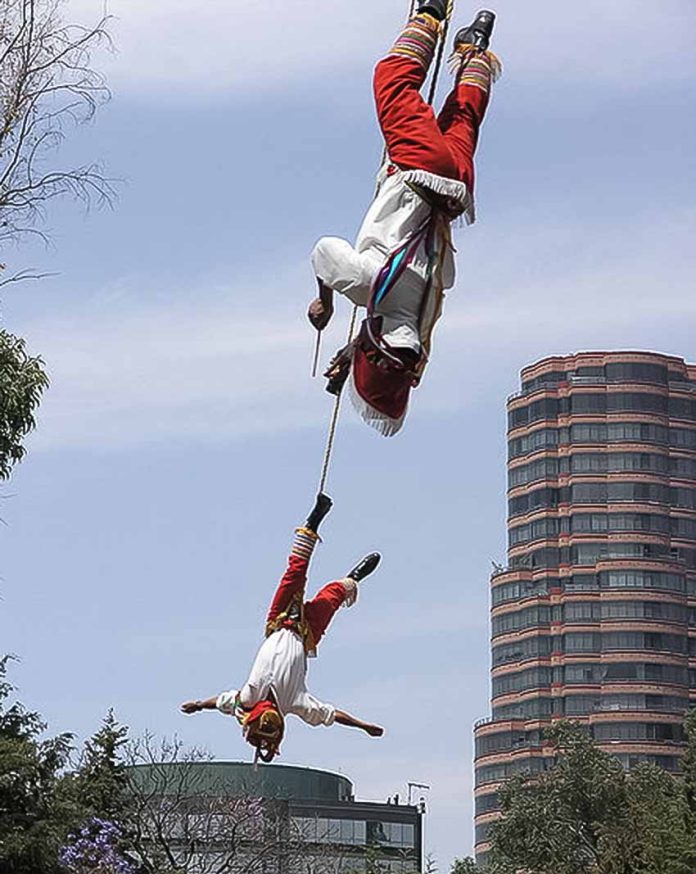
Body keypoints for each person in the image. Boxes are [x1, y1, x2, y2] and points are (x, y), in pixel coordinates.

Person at [307, 3, 501, 436]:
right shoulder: (369, 286)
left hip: (456, 189)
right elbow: (323, 252)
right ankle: (430, 14)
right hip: (420, 170)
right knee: (392, 82)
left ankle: (475, 49)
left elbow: (396, 343)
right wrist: (327, 301)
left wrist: (349, 353)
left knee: (462, 117)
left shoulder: (422, 319)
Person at [180, 494, 383, 763]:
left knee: (295, 573)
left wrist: (197, 705)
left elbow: (219, 703)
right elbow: (331, 715)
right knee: (332, 597)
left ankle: (313, 521)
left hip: (279, 621)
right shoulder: (295, 702)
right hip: (306, 632)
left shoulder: (247, 699)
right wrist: (363, 726)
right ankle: (353, 578)